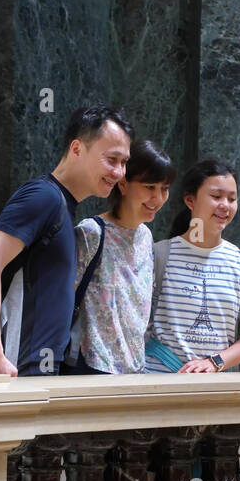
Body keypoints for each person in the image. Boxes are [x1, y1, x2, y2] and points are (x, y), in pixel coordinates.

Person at [0, 105, 133, 376]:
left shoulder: (62, 206)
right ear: (77, 149)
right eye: (112, 159)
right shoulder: (43, 197)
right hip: (14, 373)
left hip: (36, 375)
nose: (119, 172)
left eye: (124, 163)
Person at [144, 157, 240, 373]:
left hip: (214, 391)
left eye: (232, 199)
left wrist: (215, 362)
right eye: (216, 196)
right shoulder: (158, 255)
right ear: (190, 200)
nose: (225, 205)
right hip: (158, 383)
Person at [65, 140, 176, 374]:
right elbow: (63, 299)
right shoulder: (92, 232)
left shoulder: (146, 236)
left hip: (135, 368)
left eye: (164, 189)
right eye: (149, 187)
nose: (157, 198)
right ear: (123, 184)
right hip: (93, 367)